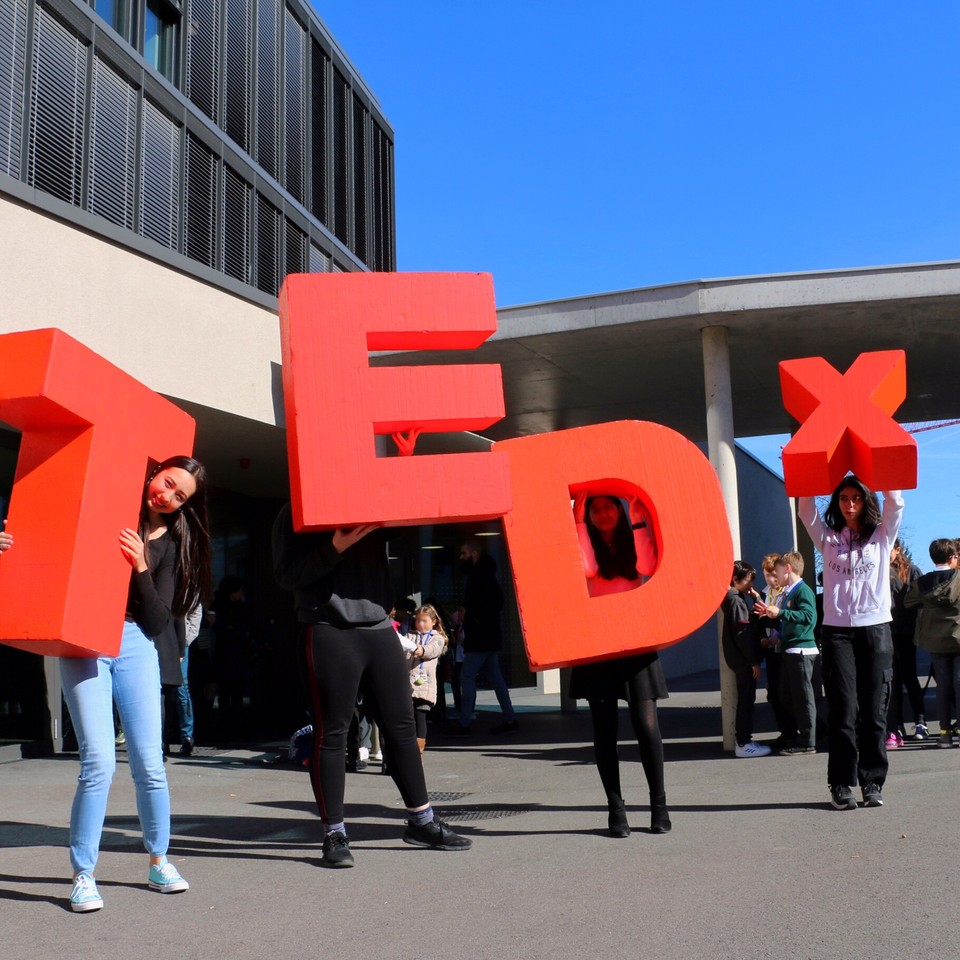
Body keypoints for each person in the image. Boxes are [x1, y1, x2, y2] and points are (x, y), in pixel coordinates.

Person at [272, 504, 472, 868]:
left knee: (402, 727)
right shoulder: (297, 508)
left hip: (378, 627)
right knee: (333, 733)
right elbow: (287, 576)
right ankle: (334, 834)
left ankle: (422, 821)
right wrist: (334, 546)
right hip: (327, 627)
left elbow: (407, 518)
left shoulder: (364, 496)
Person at [60, 456, 210, 912]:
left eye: (179, 496)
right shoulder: (104, 510)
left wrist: (141, 565)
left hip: (135, 643)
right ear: (152, 474)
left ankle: (159, 861)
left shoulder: (171, 543)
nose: (168, 496)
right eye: (168, 483)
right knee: (99, 761)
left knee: (149, 762)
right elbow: (58, 547)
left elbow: (158, 619)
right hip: (84, 637)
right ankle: (83, 875)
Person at [568, 492, 672, 837]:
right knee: (605, 731)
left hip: (635, 643)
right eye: (594, 509)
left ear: (619, 509)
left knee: (647, 726)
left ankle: (659, 807)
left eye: (608, 506)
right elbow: (587, 568)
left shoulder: (633, 539)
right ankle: (616, 810)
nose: (602, 513)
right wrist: (578, 520)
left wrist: (638, 517)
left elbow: (646, 567)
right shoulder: (583, 542)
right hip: (598, 644)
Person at [799, 476, 903, 810]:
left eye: (856, 498)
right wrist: (806, 470)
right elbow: (805, 510)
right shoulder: (828, 538)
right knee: (844, 709)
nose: (850, 504)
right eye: (843, 498)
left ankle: (872, 781)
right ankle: (842, 783)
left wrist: (884, 468)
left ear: (866, 500)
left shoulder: (882, 536)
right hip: (838, 631)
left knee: (874, 711)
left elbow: (895, 503)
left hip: (876, 628)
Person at [754, 552, 818, 755]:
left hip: (801, 650)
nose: (776, 576)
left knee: (802, 697)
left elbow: (809, 617)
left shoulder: (802, 590)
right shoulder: (793, 591)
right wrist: (773, 615)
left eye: (778, 571)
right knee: (785, 696)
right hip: (791, 649)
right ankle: (801, 735)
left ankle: (808, 741)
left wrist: (780, 613)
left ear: (788, 569)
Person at [453, 540, 518, 735]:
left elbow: (488, 603)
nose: (461, 557)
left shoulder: (478, 576)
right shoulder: (487, 574)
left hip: (480, 637)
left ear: (474, 553)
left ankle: (465, 722)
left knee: (466, 676)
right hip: (489, 636)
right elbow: (496, 602)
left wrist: (471, 616)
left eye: (463, 553)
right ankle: (509, 717)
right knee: (495, 677)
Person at [904, 538, 960, 749]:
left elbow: (909, 602)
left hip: (935, 640)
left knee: (943, 686)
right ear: (952, 557)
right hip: (958, 636)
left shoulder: (922, 583)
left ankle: (945, 734)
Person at [721, 561, 772, 759]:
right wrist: (753, 663)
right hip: (743, 661)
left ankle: (744, 741)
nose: (751, 585)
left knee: (746, 700)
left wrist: (755, 598)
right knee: (746, 701)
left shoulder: (733, 598)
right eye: (748, 581)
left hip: (739, 659)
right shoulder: (735, 601)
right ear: (735, 579)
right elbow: (742, 634)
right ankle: (743, 742)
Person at [887, 539, 925, 745]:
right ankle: (896, 725)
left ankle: (920, 721)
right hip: (887, 631)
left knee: (909, 676)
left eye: (889, 549)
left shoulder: (912, 571)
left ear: (898, 550)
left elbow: (922, 601)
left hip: (907, 631)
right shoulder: (878, 570)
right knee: (891, 680)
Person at [401, 604, 448, 753]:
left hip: (424, 685)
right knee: (408, 717)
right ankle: (408, 747)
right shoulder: (410, 635)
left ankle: (419, 749)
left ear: (433, 622)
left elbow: (432, 650)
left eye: (424, 621)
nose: (420, 624)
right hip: (408, 684)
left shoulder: (437, 638)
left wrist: (421, 650)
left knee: (420, 716)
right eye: (418, 621)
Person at [759, 553, 790, 749]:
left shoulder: (786, 592)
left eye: (773, 575)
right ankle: (785, 731)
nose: (770, 579)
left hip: (784, 648)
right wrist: (762, 636)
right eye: (766, 575)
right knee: (774, 692)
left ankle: (795, 732)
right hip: (770, 650)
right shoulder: (763, 593)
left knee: (786, 692)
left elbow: (786, 618)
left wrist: (778, 634)